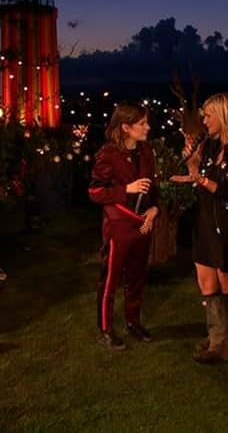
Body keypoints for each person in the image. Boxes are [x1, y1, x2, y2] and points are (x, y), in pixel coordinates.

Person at [170, 92, 228, 364]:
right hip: (204, 219)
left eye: (209, 115)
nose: (204, 120)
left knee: (225, 278)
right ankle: (216, 337)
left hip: (226, 224)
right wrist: (191, 163)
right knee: (205, 279)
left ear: (225, 116)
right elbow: (198, 176)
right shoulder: (211, 146)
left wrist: (202, 181)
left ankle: (222, 341)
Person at [88, 101, 159, 351]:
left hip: (143, 226)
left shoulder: (146, 151)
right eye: (142, 123)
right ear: (126, 127)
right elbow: (95, 192)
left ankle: (133, 322)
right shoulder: (108, 155)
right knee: (110, 280)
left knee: (137, 278)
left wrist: (155, 209)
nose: (148, 127)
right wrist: (124, 190)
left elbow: (153, 186)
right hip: (119, 229)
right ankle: (105, 329)